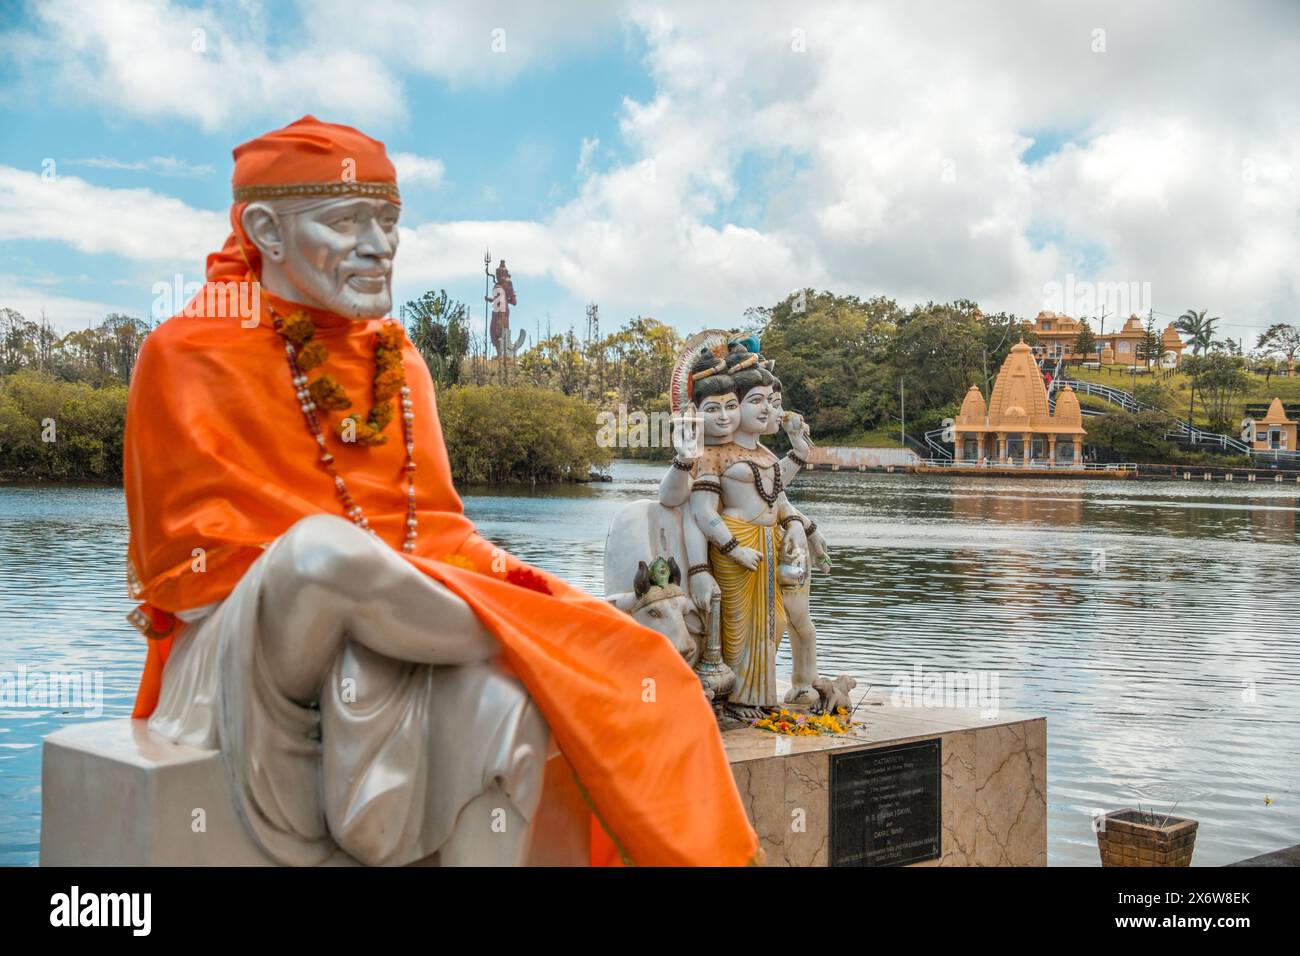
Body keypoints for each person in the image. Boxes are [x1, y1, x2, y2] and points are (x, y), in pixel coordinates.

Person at [123, 116, 758, 867]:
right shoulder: (185, 353)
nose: (379, 246)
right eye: (347, 221)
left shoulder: (399, 363)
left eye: (388, 223)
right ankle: (575, 635)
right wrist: (551, 618)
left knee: (510, 710)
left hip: (402, 629)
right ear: (265, 228)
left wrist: (506, 587)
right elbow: (191, 579)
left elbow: (442, 537)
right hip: (248, 647)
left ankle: (560, 637)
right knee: (320, 556)